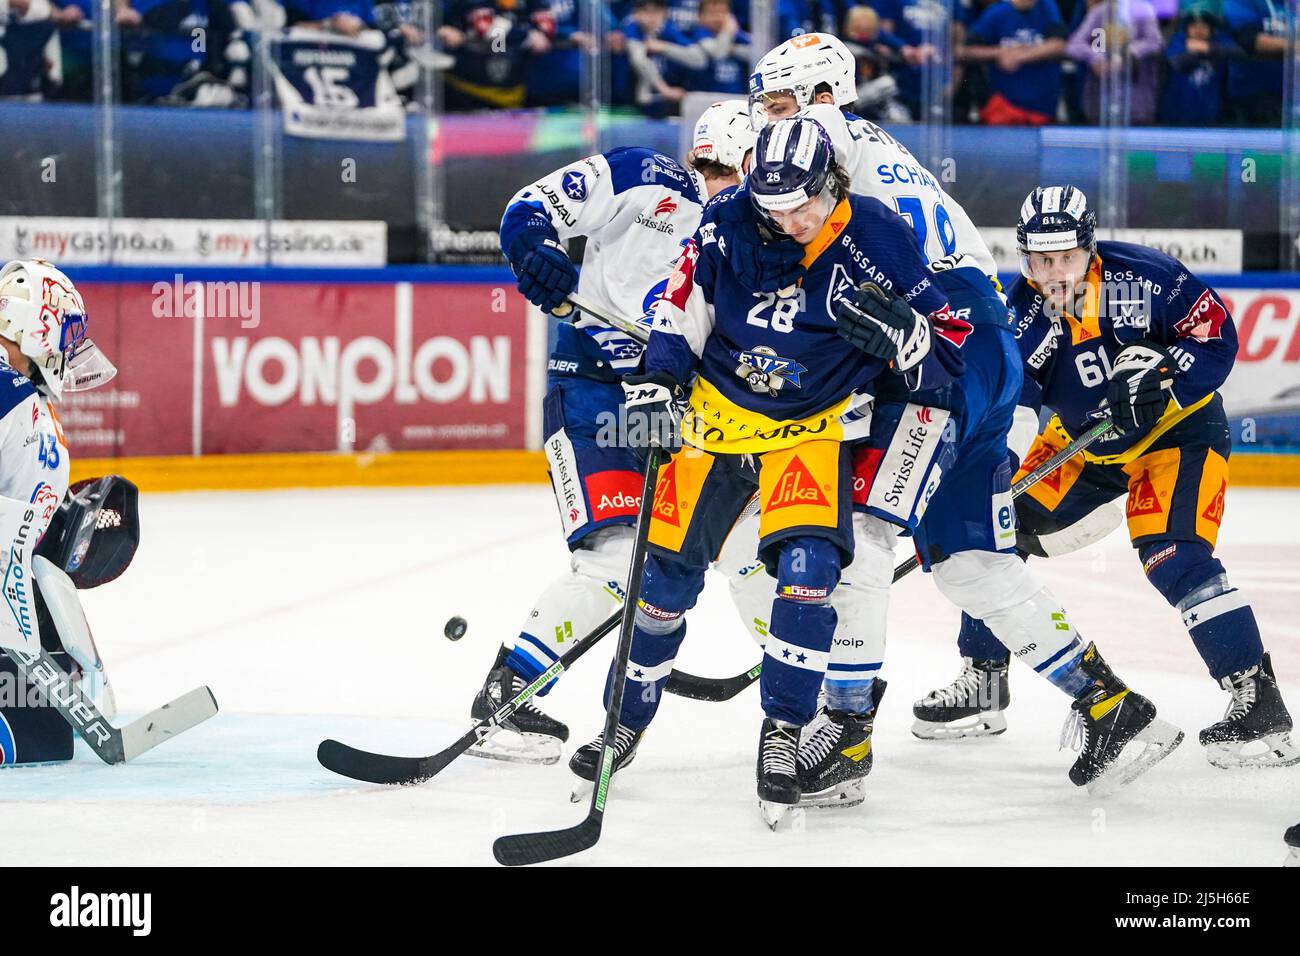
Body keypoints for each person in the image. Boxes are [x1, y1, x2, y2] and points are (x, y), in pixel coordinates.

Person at [739, 34, 1181, 802]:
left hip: (933, 352)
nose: (769, 127)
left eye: (779, 105)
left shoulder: (827, 140)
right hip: (981, 347)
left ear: (820, 97)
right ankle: (1112, 705)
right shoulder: (885, 148)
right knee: (971, 560)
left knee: (865, 538)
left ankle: (844, 736)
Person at [568, 115, 969, 827]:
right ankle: (622, 725)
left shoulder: (877, 234)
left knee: (810, 574)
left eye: (802, 206)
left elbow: (949, 349)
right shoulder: (727, 219)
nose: (787, 221)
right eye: (773, 205)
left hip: (812, 430)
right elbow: (680, 305)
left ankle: (783, 733)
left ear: (832, 184)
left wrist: (911, 338)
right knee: (661, 582)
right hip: (716, 418)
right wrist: (659, 380)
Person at [914, 185, 1298, 771]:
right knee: (994, 533)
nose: (1053, 273)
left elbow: (1216, 334)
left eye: (1064, 257)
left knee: (1174, 555)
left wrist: (1166, 374)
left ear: (1088, 249)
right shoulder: (1018, 314)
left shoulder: (1145, 279)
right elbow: (1015, 408)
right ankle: (985, 681)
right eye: (1040, 261)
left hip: (1178, 436)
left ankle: (1257, 701)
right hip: (1082, 446)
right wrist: (988, 481)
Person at [477, 102, 769, 765]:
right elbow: (530, 206)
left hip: (688, 413)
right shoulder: (644, 175)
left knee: (754, 551)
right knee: (615, 560)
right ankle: (508, 694)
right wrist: (536, 250)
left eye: (738, 174)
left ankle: (814, 696)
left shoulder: (762, 239)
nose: (724, 183)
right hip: (595, 396)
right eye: (716, 168)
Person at [0, 258, 124, 765]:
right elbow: (13, 550)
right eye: (67, 336)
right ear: (40, 330)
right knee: (42, 735)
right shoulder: (29, 415)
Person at [960, 0, 1068, 125]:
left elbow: (1059, 44)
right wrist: (1001, 52)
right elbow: (967, 51)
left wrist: (1020, 56)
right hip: (1003, 107)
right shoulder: (997, 12)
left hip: (1043, 107)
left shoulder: (1047, 7)